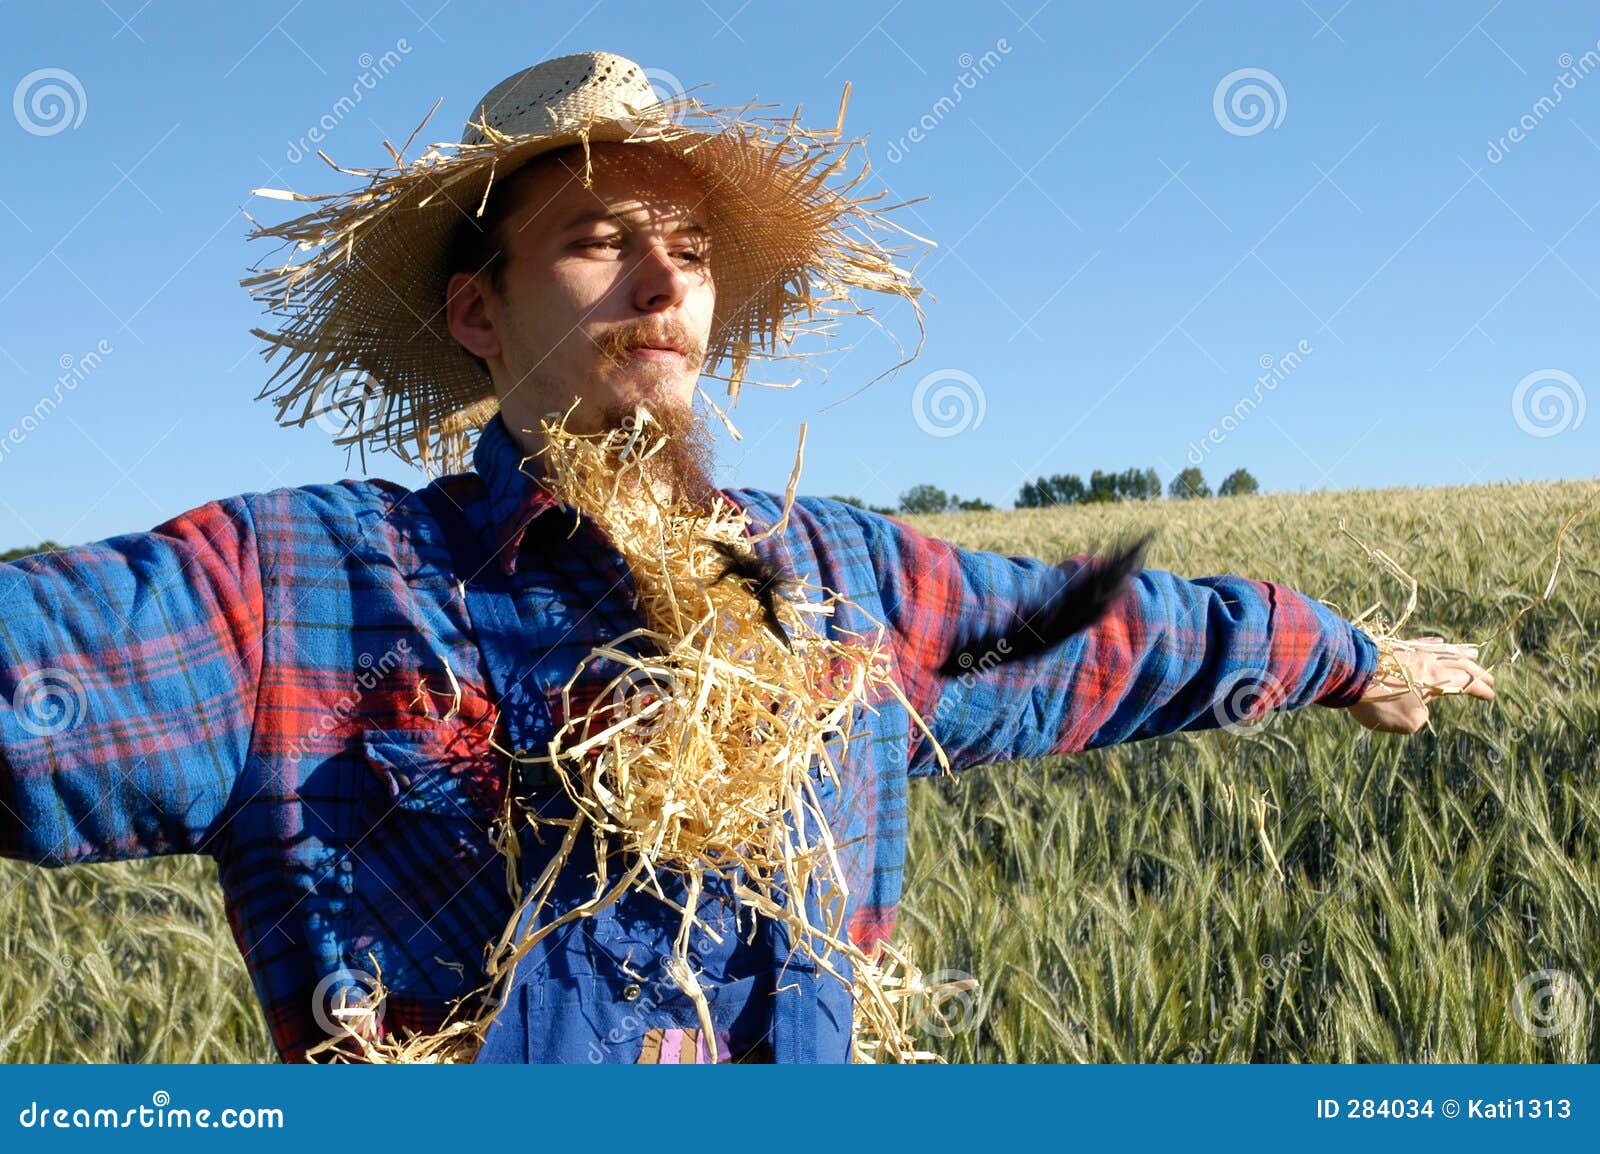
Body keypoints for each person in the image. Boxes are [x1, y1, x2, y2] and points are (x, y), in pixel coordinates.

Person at [0, 51, 1494, 1065]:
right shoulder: (310, 589)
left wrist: (1349, 655)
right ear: (476, 312)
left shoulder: (841, 581)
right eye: (598, 238)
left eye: (692, 251)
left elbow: (1105, 639)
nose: (663, 281)